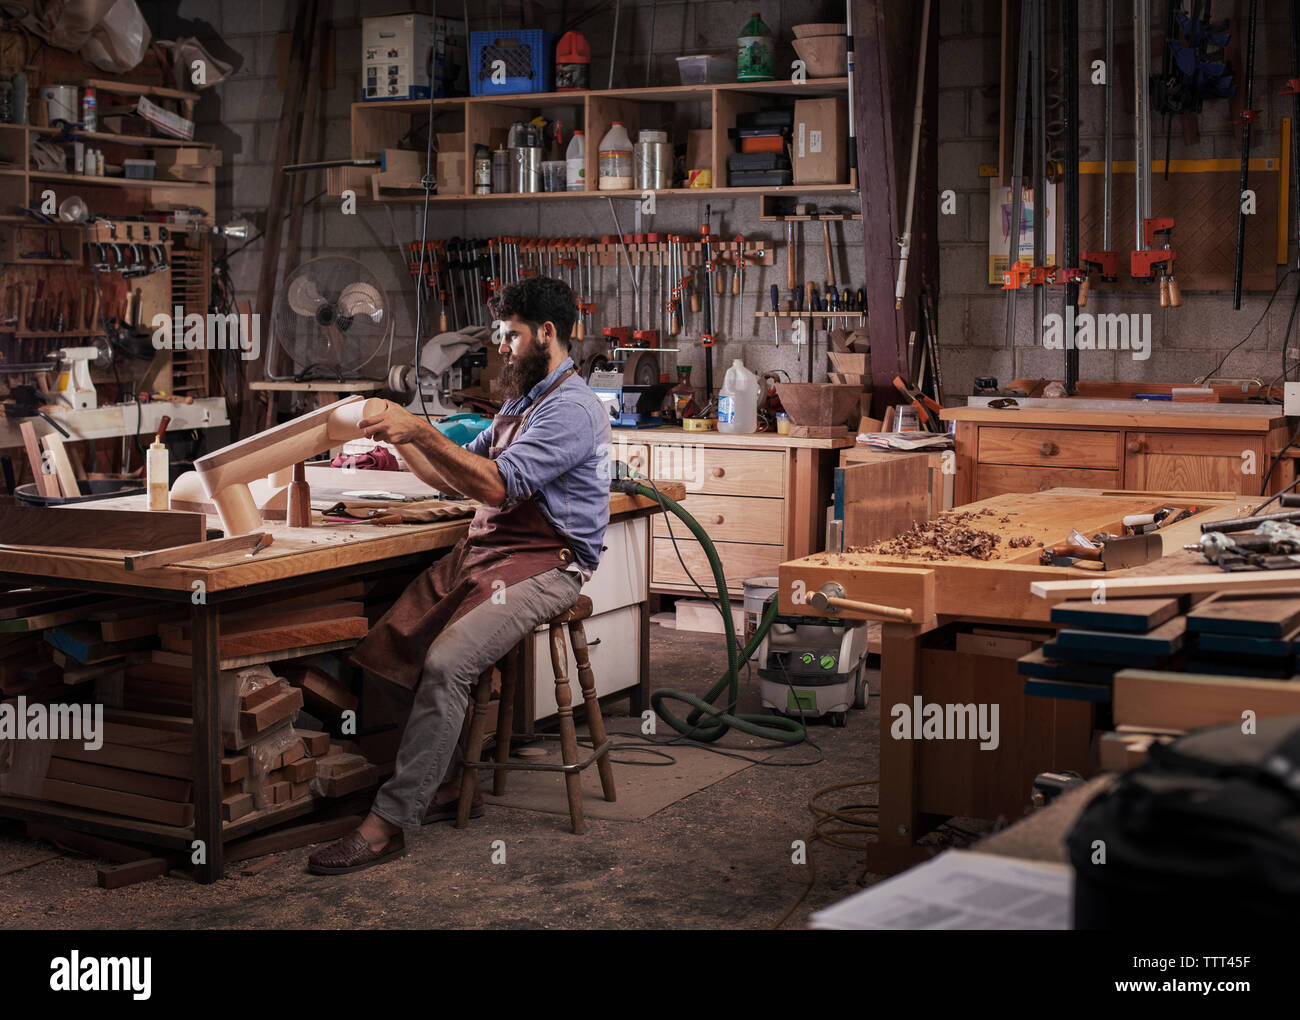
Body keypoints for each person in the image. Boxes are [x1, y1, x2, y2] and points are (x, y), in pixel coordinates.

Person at [307, 275, 612, 874]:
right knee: (391, 642)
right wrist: (401, 443)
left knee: (447, 663)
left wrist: (420, 428)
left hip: (547, 565)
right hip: (486, 554)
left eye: (512, 334)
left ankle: (389, 824)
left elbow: (499, 485)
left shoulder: (572, 409)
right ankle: (439, 781)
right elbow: (460, 482)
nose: (500, 344)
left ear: (546, 334)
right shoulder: (523, 402)